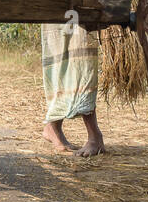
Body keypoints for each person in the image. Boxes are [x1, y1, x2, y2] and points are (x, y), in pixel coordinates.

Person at [40, 22, 105, 157]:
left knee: (82, 56)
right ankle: (92, 134)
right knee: (60, 55)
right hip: (59, 8)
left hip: (78, 9)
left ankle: (54, 127)